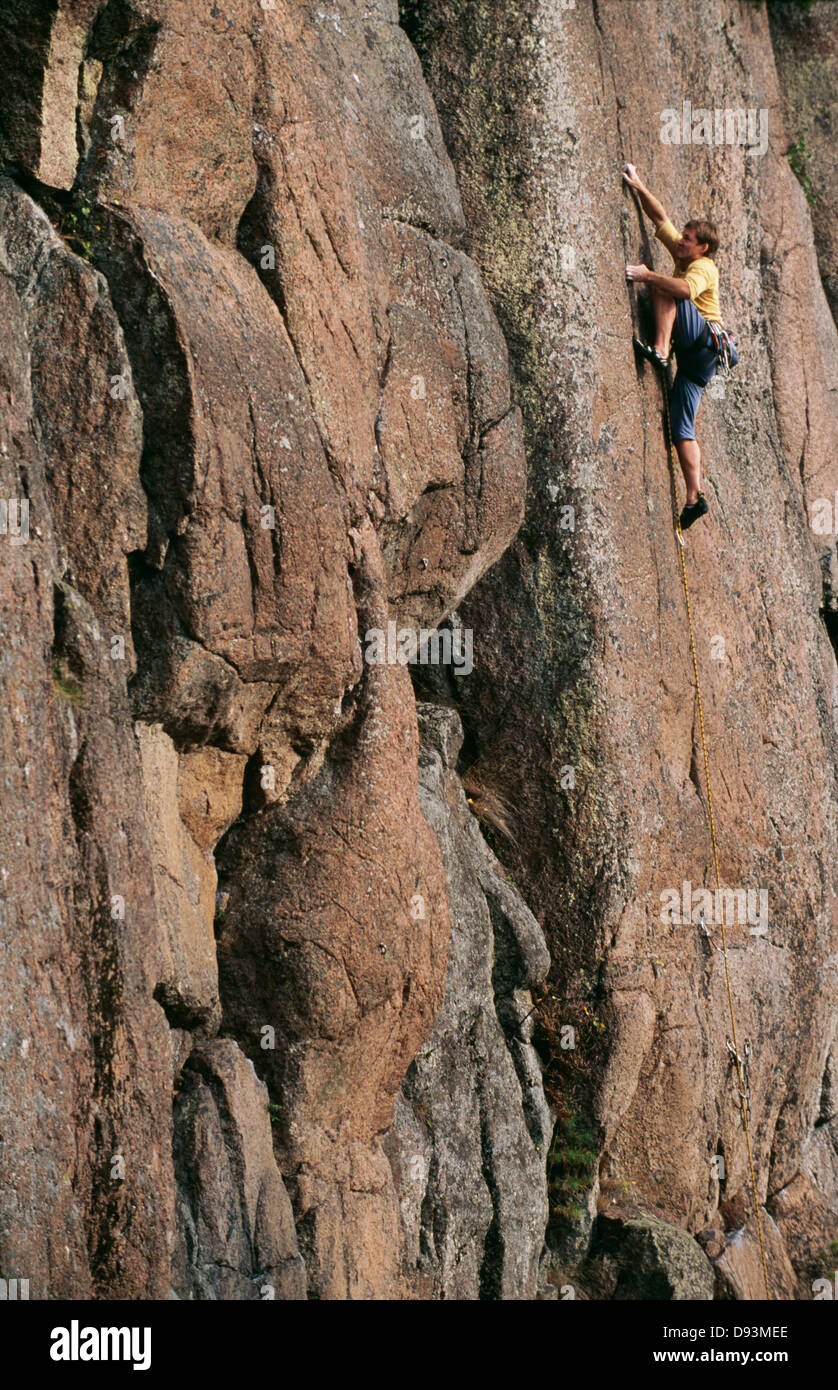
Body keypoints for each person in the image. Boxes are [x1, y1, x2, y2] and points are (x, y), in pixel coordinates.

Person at [622, 163, 723, 530]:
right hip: (700, 363)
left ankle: (660, 351)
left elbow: (685, 291)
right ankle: (694, 497)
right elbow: (660, 217)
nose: (680, 241)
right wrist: (638, 184)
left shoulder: (704, 268)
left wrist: (649, 275)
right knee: (682, 427)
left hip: (704, 340)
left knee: (667, 286)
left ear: (702, 248)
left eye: (688, 239)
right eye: (682, 236)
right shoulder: (684, 254)